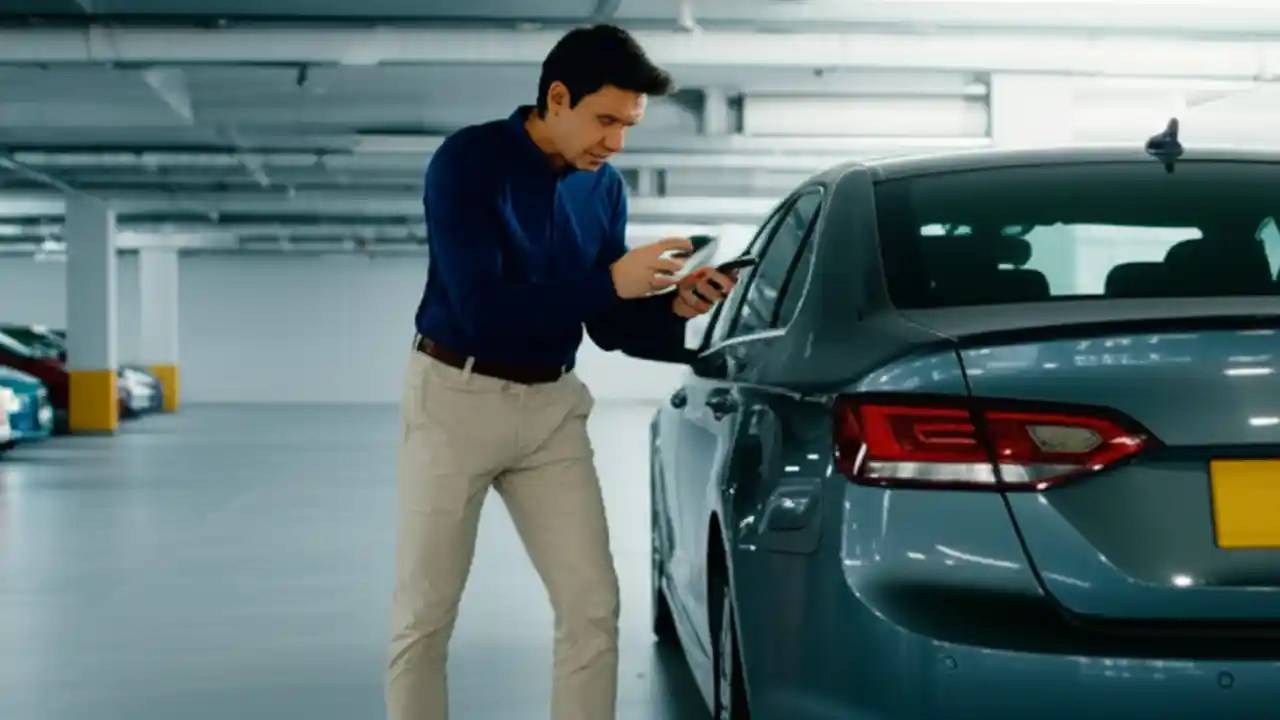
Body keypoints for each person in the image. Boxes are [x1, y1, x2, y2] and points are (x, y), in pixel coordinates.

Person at [385, 23, 739, 720]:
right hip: (454, 401)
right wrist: (612, 279)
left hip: (551, 411)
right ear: (556, 97)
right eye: (605, 120)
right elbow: (480, 308)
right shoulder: (467, 163)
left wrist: (676, 305)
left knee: (593, 607)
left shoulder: (603, 189)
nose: (615, 143)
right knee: (424, 615)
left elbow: (608, 327)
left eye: (629, 126)